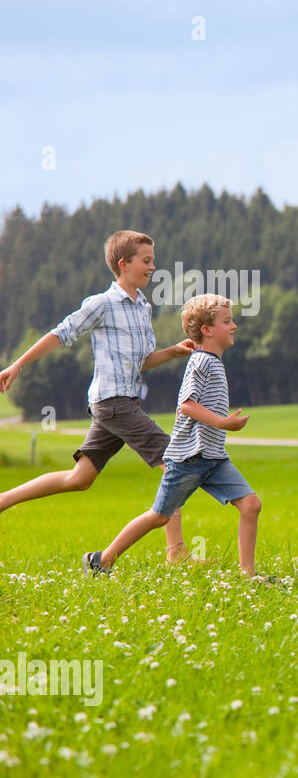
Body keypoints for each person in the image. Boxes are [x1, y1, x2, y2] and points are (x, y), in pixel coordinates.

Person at [0, 230, 197, 561]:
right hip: (113, 403)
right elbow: (60, 334)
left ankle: (3, 500)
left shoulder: (142, 307)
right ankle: (176, 551)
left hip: (121, 403)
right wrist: (17, 365)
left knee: (80, 478)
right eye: (146, 261)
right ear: (124, 264)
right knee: (174, 461)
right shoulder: (101, 304)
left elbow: (143, 362)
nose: (152, 267)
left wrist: (175, 351)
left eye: (153, 260)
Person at [84, 295, 267, 578]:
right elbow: (187, 405)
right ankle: (101, 559)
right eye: (227, 321)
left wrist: (221, 427)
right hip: (187, 459)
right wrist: (223, 423)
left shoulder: (214, 362)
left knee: (251, 504)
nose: (234, 327)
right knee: (159, 516)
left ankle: (248, 575)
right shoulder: (201, 363)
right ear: (207, 330)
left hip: (214, 458)